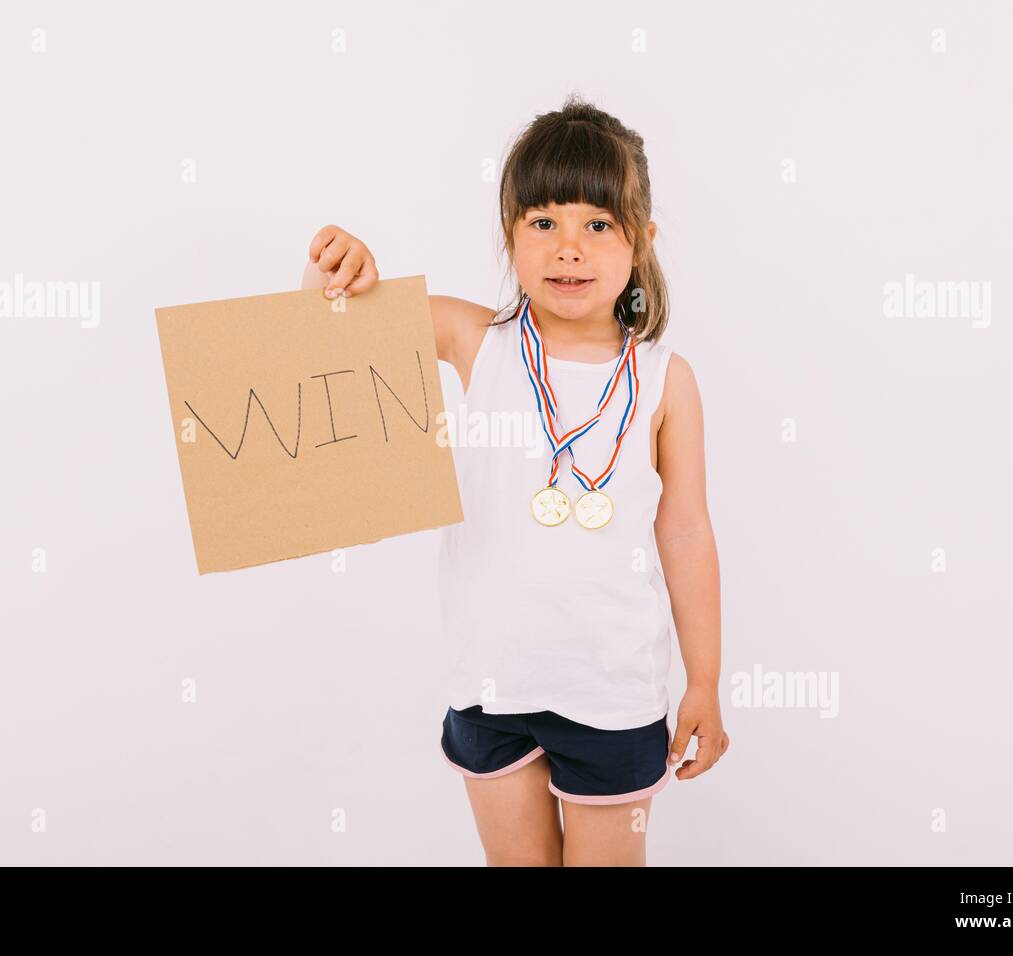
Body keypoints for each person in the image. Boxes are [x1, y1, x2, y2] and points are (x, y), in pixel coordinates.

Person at [300, 94, 727, 866]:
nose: (570, 248)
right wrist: (335, 270)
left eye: (598, 225)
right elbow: (336, 330)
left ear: (644, 242)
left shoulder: (669, 379)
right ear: (511, 237)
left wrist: (705, 680)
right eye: (544, 223)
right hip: (489, 689)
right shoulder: (478, 340)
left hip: (613, 695)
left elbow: (686, 530)